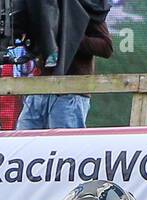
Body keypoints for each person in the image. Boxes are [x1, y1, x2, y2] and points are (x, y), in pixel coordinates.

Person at [16, 1, 113, 130]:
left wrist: (71, 38)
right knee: (25, 144)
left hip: (70, 93)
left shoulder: (84, 4)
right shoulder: (39, 5)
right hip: (39, 90)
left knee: (65, 147)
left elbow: (106, 47)